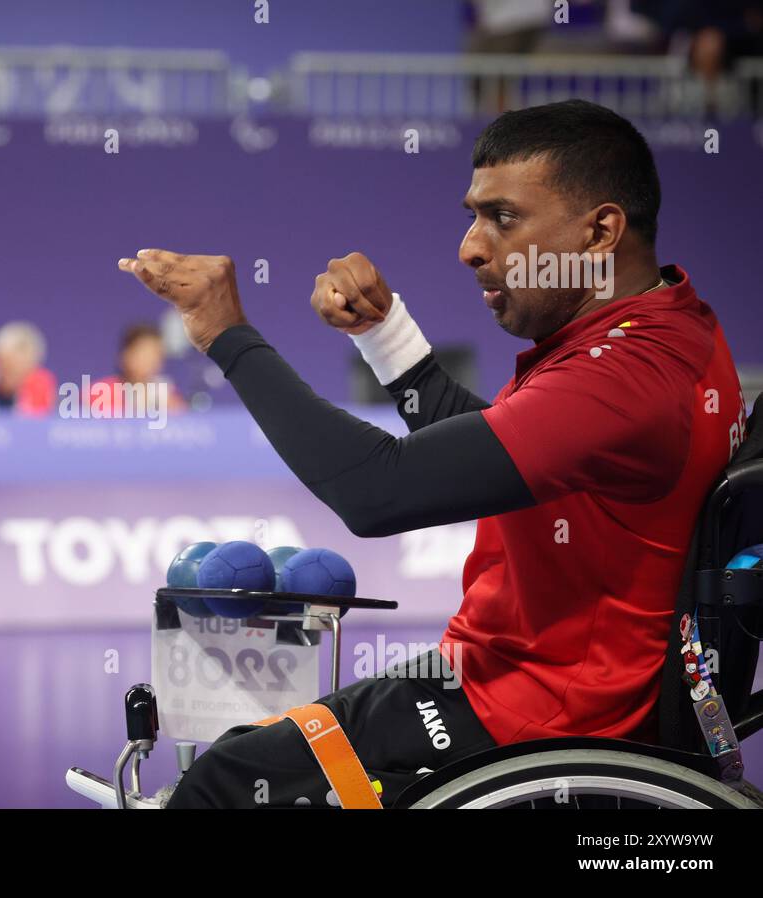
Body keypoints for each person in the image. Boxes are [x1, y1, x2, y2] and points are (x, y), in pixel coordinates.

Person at [118, 99, 746, 808]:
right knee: (248, 753)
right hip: (513, 682)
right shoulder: (660, 327)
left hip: (534, 713)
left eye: (503, 218)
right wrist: (388, 336)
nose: (471, 246)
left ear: (601, 230)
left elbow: (377, 492)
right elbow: (499, 448)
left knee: (228, 782)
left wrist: (226, 334)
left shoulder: (623, 378)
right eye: (473, 215)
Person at [88, 323, 187, 416]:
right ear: (126, 356)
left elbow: (185, 422)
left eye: (156, 354)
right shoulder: (101, 390)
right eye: (144, 354)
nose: (150, 361)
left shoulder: (165, 391)